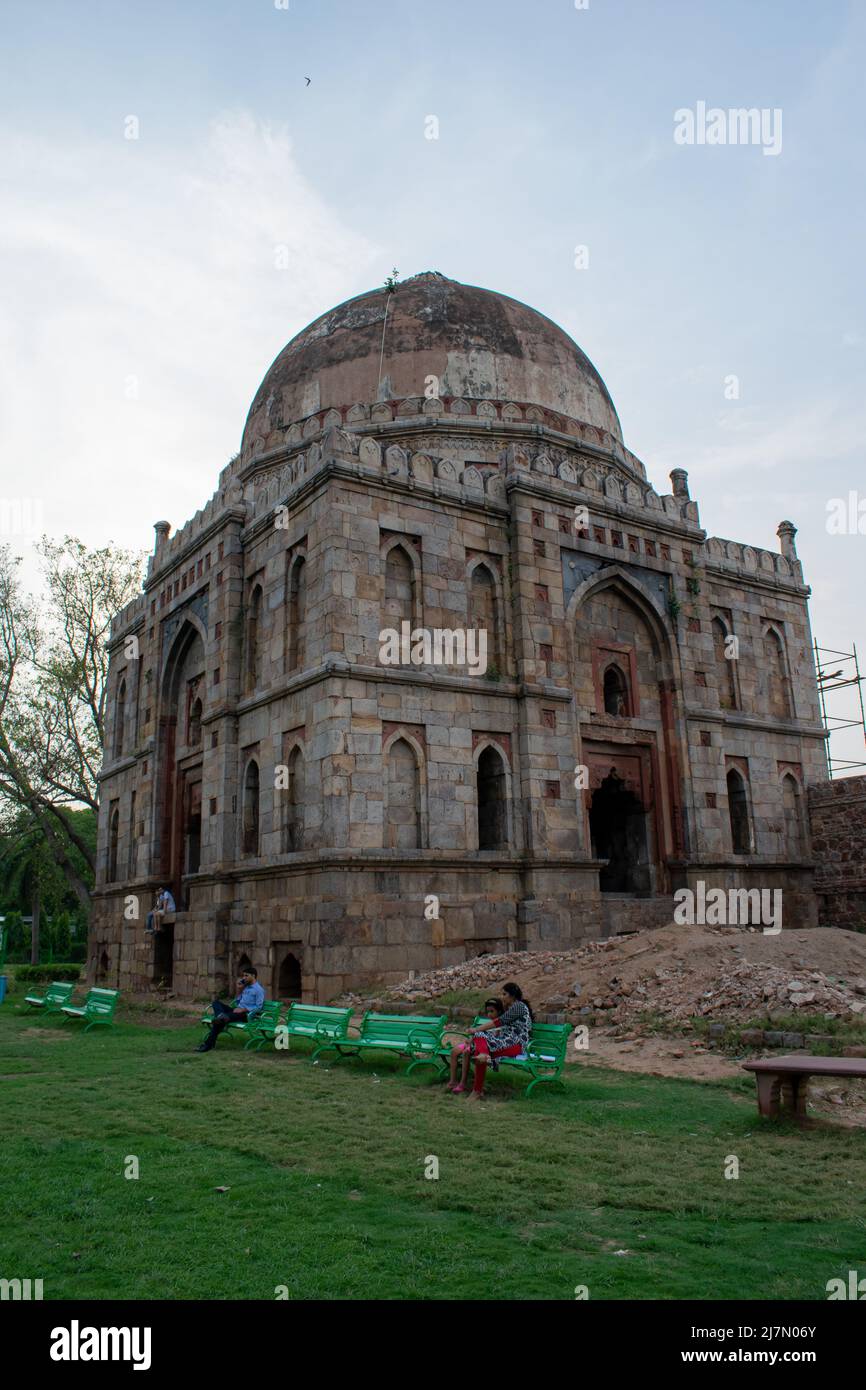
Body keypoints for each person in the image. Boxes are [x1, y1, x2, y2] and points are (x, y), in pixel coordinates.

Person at [465, 981, 533, 1103]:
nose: (502, 997)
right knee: (480, 1047)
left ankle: (477, 1091)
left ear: (512, 995)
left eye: (504, 994)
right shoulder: (512, 1007)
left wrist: (475, 1029)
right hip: (505, 1041)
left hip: (516, 1044)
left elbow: (498, 1022)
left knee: (478, 1046)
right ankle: (478, 1088)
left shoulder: (519, 1006)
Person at [196, 968, 265, 1052]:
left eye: (246, 975)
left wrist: (243, 1009)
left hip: (246, 1015)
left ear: (253, 976)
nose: (244, 978)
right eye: (243, 975)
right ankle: (219, 1017)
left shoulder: (258, 989)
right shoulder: (246, 987)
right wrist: (239, 989)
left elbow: (259, 1007)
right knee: (216, 1003)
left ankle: (208, 1044)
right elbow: (238, 1001)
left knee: (221, 1020)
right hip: (237, 1011)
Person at [446, 998, 503, 1094]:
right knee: (454, 1051)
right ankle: (453, 1081)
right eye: (488, 1012)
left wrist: (475, 1039)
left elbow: (492, 1039)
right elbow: (480, 1033)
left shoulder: (500, 1024)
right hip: (474, 1042)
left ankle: (462, 1083)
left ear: (499, 1011)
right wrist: (471, 1039)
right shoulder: (488, 1023)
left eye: (492, 1011)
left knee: (466, 1052)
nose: (489, 1014)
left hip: (483, 1046)